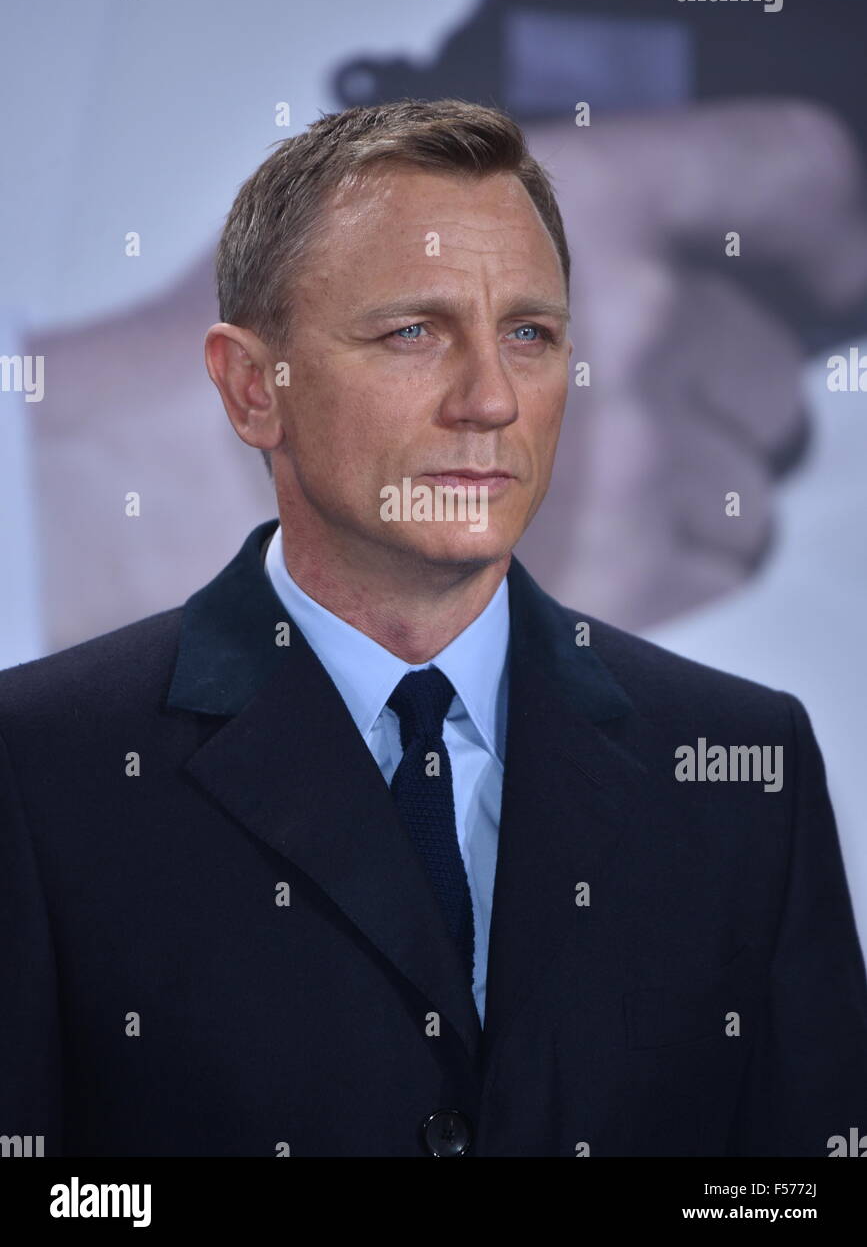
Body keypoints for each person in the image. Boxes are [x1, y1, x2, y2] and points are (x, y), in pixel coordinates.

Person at [1, 98, 865, 1158]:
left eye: (531, 335)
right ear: (247, 385)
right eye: (414, 330)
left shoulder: (747, 764)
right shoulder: (36, 765)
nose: (492, 400)